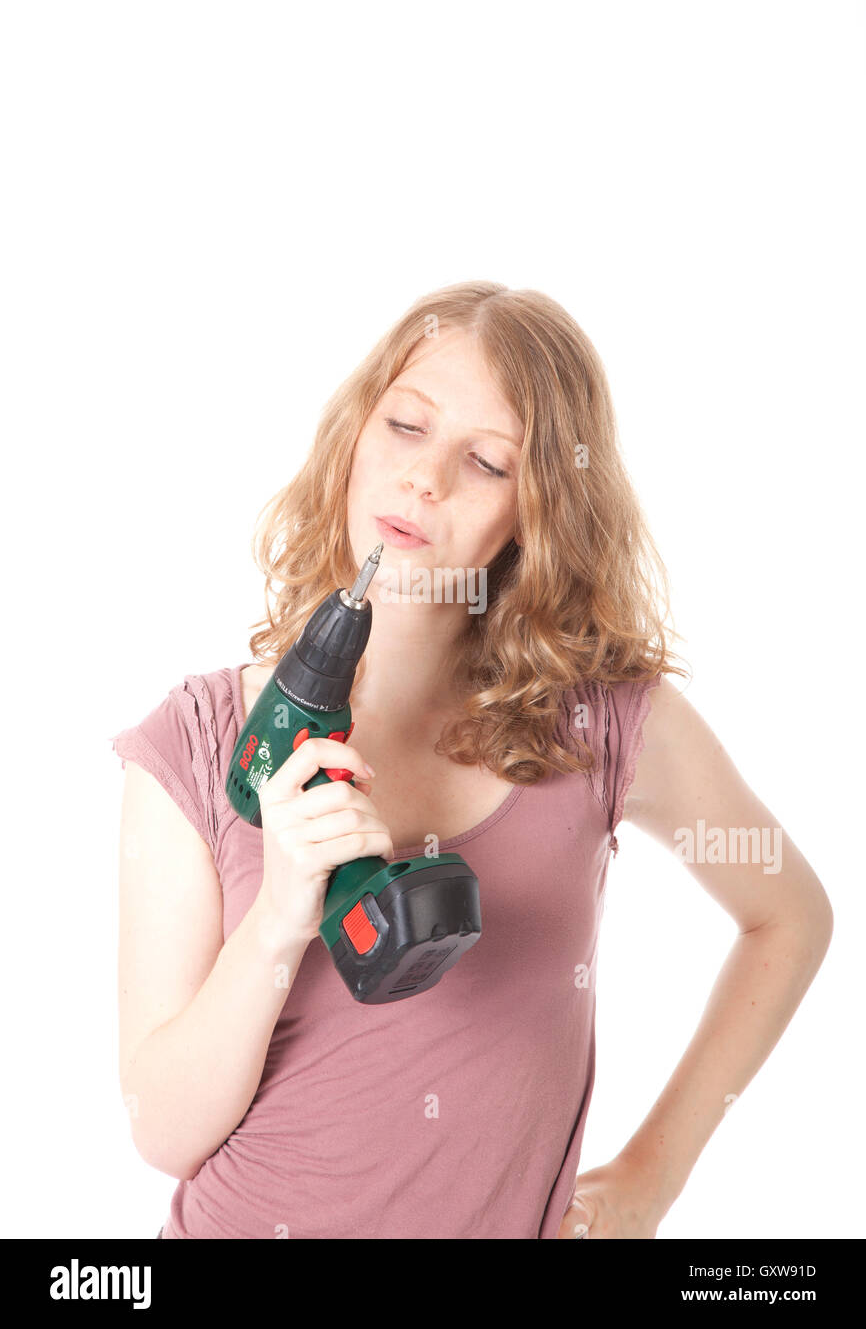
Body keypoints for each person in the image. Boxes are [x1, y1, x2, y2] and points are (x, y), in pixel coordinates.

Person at [111, 280, 833, 1240]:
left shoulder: (603, 724)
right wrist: (281, 920)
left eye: (487, 463)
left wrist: (651, 1180)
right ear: (354, 439)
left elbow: (788, 917)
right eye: (406, 427)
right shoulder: (203, 743)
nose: (426, 482)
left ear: (539, 512)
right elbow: (164, 1129)